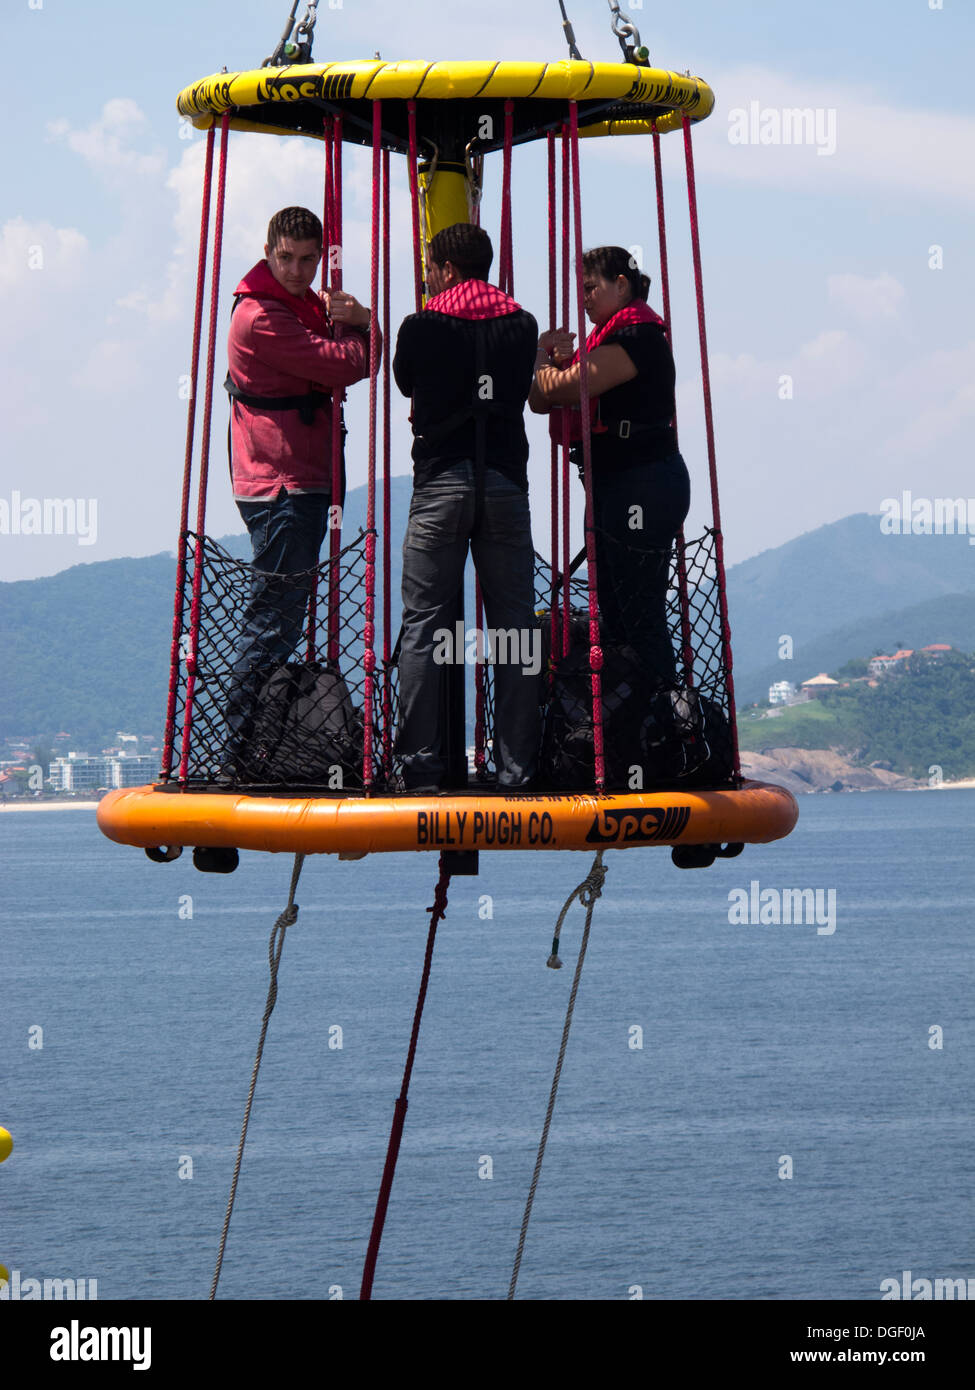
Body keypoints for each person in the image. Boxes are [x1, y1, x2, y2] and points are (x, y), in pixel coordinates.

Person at [221, 205, 379, 778]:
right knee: (273, 622)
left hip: (293, 479)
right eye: (285, 257)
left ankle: (250, 745)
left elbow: (355, 360)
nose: (296, 269)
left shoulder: (301, 304)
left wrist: (358, 326)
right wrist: (363, 324)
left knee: (278, 619)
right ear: (267, 253)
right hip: (282, 484)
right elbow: (348, 364)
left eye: (307, 259)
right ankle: (237, 752)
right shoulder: (261, 317)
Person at [392, 223, 539, 792]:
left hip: (440, 485)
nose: (428, 278)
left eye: (431, 268)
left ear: (446, 269)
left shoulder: (422, 324)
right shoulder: (521, 324)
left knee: (424, 625)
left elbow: (406, 383)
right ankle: (515, 767)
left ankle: (422, 767)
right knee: (514, 627)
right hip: (504, 484)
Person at [528, 245, 690, 691]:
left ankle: (656, 719)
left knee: (638, 613)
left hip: (642, 482)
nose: (583, 298)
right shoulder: (607, 339)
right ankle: (633, 720)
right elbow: (541, 400)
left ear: (622, 284)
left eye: (589, 288)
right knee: (617, 611)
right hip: (616, 483)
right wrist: (545, 362)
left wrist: (540, 357)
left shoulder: (636, 338)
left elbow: (563, 388)